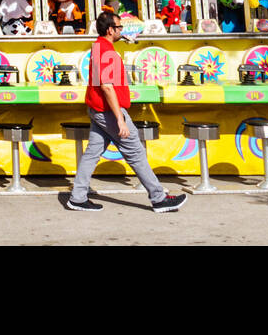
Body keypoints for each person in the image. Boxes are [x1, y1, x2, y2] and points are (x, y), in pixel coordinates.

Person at [67, 12, 186, 213]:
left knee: (92, 153)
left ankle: (77, 197)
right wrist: (120, 119)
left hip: (98, 109)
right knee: (136, 152)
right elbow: (106, 87)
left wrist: (124, 38)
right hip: (109, 110)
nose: (122, 31)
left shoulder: (100, 46)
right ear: (110, 30)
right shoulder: (107, 53)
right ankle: (159, 198)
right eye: (119, 28)